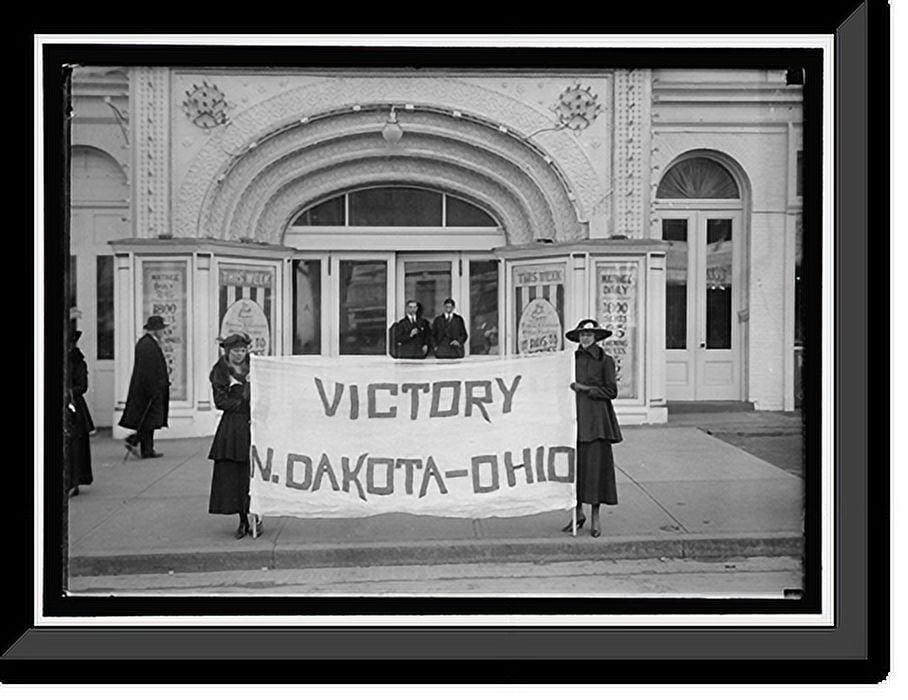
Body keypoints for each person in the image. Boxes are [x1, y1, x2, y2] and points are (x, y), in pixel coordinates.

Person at [564, 319, 622, 538]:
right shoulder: (571, 360)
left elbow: (611, 391)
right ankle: (577, 512)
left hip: (597, 421)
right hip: (575, 419)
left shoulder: (605, 361)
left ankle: (596, 515)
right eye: (582, 334)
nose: (585, 338)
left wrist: (586, 389)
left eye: (589, 334)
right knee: (576, 469)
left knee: (596, 470)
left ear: (597, 337)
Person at [207, 332, 261, 539]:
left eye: (243, 350)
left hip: (254, 424)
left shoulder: (254, 367)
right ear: (227, 352)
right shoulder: (220, 371)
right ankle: (242, 519)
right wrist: (243, 403)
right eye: (236, 351)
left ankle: (257, 515)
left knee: (254, 472)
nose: (240, 354)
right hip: (233, 427)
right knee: (236, 475)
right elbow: (220, 401)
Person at [119, 315, 170, 459]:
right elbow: (148, 370)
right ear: (156, 330)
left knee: (149, 420)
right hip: (148, 390)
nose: (163, 333)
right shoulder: (147, 345)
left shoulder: (148, 343)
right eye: (161, 330)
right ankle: (137, 443)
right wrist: (154, 388)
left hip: (150, 389)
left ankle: (145, 448)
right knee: (149, 419)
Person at [66, 309, 94, 497]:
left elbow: (82, 386)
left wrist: (69, 393)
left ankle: (74, 481)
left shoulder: (78, 361)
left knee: (75, 447)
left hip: (73, 408)